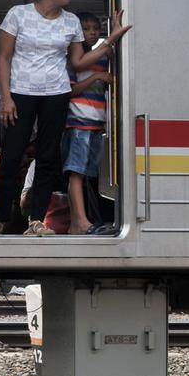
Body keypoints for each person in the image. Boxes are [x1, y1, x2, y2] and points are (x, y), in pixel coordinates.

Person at [0, 0, 131, 235]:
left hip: (56, 95)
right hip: (21, 94)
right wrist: (6, 98)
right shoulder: (19, 14)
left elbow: (77, 62)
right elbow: (3, 58)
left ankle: (36, 221)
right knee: (12, 157)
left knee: (48, 158)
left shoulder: (71, 21)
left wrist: (110, 40)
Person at [64, 12, 114, 235]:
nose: (92, 32)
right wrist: (95, 78)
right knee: (76, 172)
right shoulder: (71, 60)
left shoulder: (102, 57)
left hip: (98, 122)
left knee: (89, 174)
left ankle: (78, 224)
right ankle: (83, 222)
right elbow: (70, 90)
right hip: (78, 122)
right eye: (86, 28)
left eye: (95, 28)